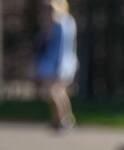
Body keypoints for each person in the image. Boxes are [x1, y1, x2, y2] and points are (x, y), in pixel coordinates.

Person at [35, 0, 79, 132]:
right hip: (62, 62)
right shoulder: (67, 21)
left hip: (59, 63)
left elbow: (60, 47)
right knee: (60, 92)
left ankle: (62, 119)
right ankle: (61, 119)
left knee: (54, 92)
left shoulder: (59, 23)